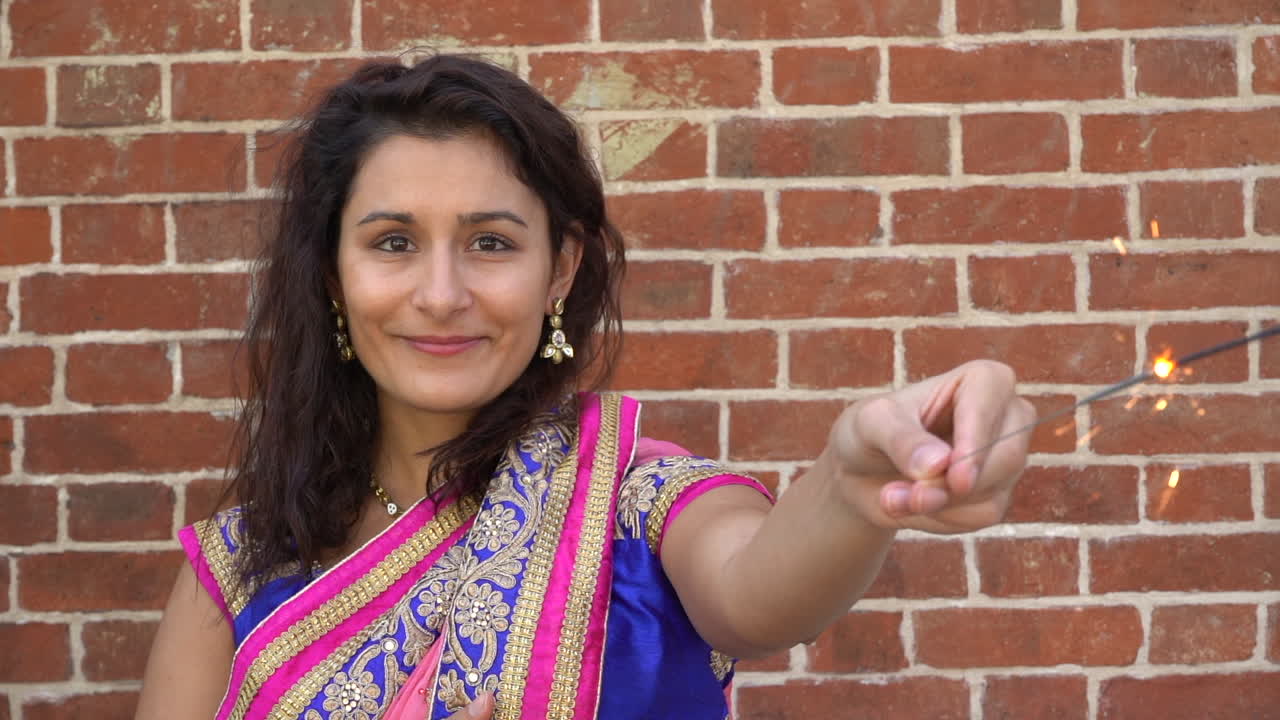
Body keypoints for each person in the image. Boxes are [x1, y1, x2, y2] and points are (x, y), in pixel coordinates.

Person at [137, 54, 1033, 720]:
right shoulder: (240, 567)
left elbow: (759, 597)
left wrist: (849, 486)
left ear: (559, 270)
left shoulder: (634, 500)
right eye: (393, 243)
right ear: (334, 275)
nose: (442, 295)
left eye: (491, 243)